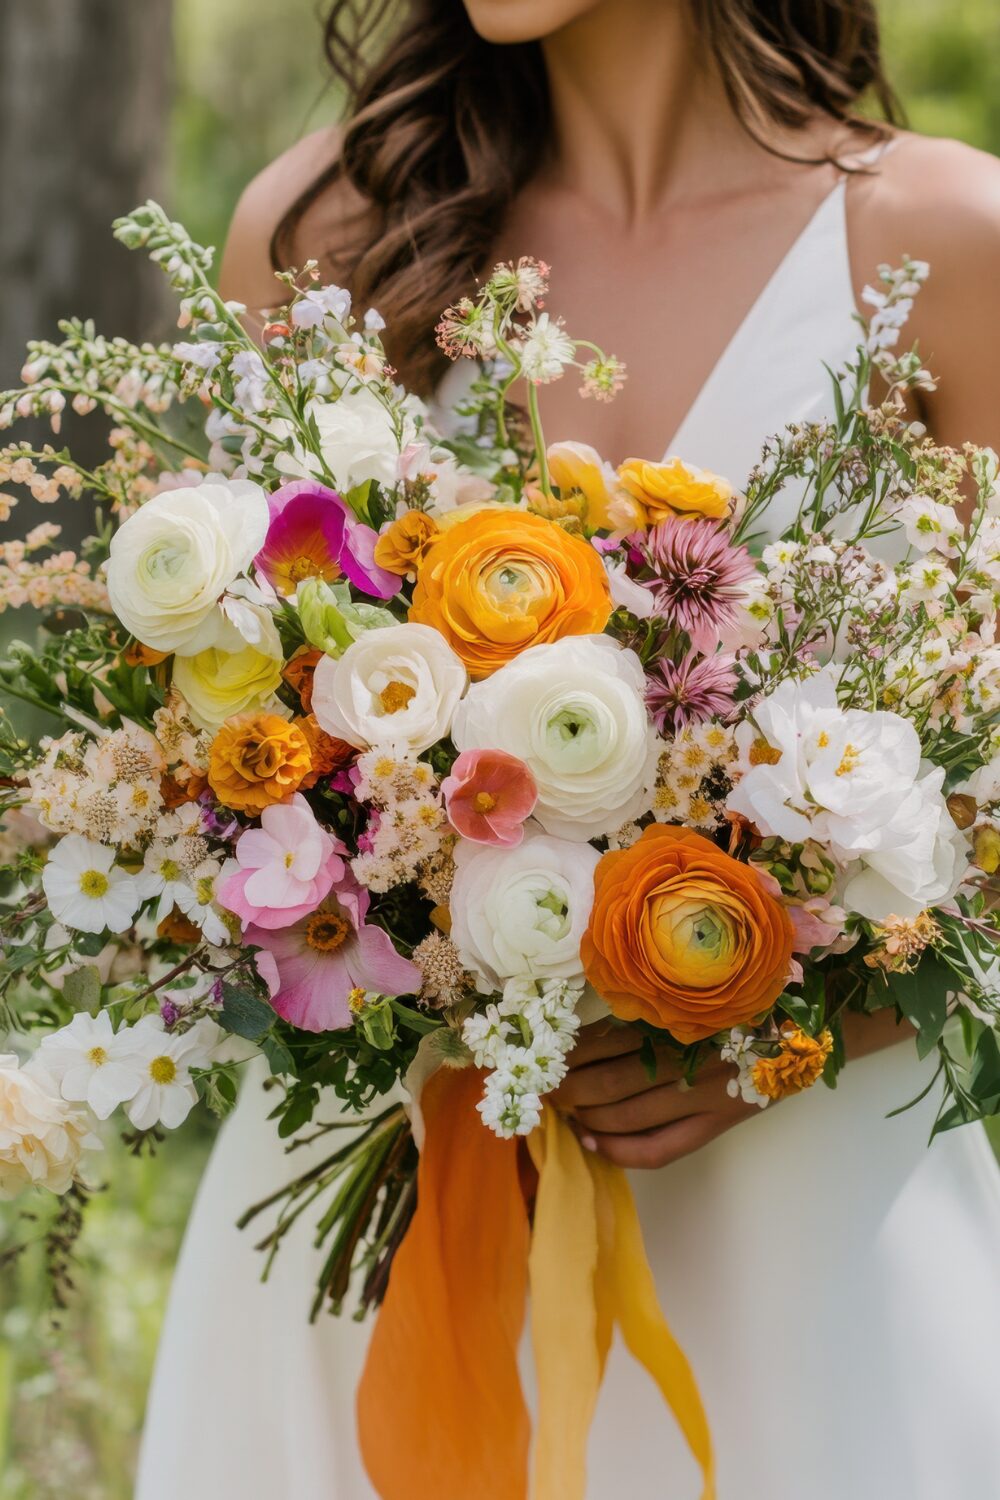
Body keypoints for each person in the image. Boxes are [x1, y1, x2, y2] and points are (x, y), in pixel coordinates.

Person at [136, 2, 1000, 1496]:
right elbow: (205, 747)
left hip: (798, 1245)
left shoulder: (942, 247)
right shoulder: (327, 231)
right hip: (383, 1243)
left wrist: (792, 1034)